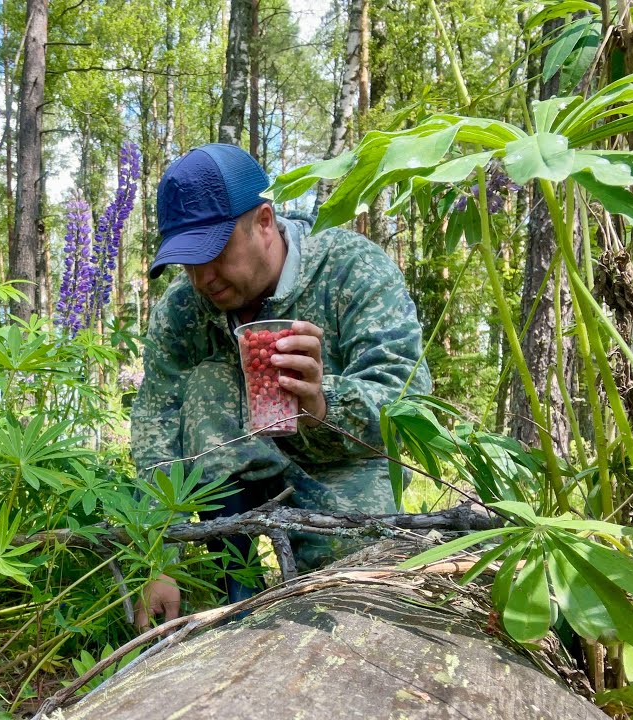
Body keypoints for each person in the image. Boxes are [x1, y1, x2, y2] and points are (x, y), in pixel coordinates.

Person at [129, 143, 431, 630]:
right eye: (187, 260)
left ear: (264, 221)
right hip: (218, 486)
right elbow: (155, 430)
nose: (202, 277)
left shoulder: (351, 268)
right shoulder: (184, 309)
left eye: (213, 251)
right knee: (206, 378)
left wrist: (323, 402)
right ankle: (230, 586)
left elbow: (407, 404)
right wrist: (158, 554)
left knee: (351, 608)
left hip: (335, 464)